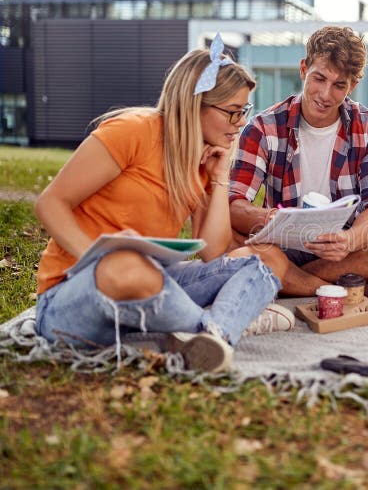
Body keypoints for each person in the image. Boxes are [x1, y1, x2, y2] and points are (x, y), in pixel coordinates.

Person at [34, 34, 289, 373]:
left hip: (150, 283)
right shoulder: (131, 131)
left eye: (244, 111)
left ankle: (212, 336)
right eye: (232, 112)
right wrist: (96, 257)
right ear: (193, 104)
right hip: (71, 297)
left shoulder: (202, 160)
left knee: (263, 262)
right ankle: (220, 324)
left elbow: (214, 251)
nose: (240, 123)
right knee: (126, 265)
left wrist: (219, 178)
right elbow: (50, 203)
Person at [229, 25, 368, 297]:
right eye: (319, 79)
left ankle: (288, 284)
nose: (326, 95)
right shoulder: (263, 127)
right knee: (219, 235)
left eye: (339, 85)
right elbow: (234, 204)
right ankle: (351, 288)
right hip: (280, 246)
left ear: (352, 85)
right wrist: (274, 218)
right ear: (304, 70)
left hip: (342, 251)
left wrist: (350, 240)